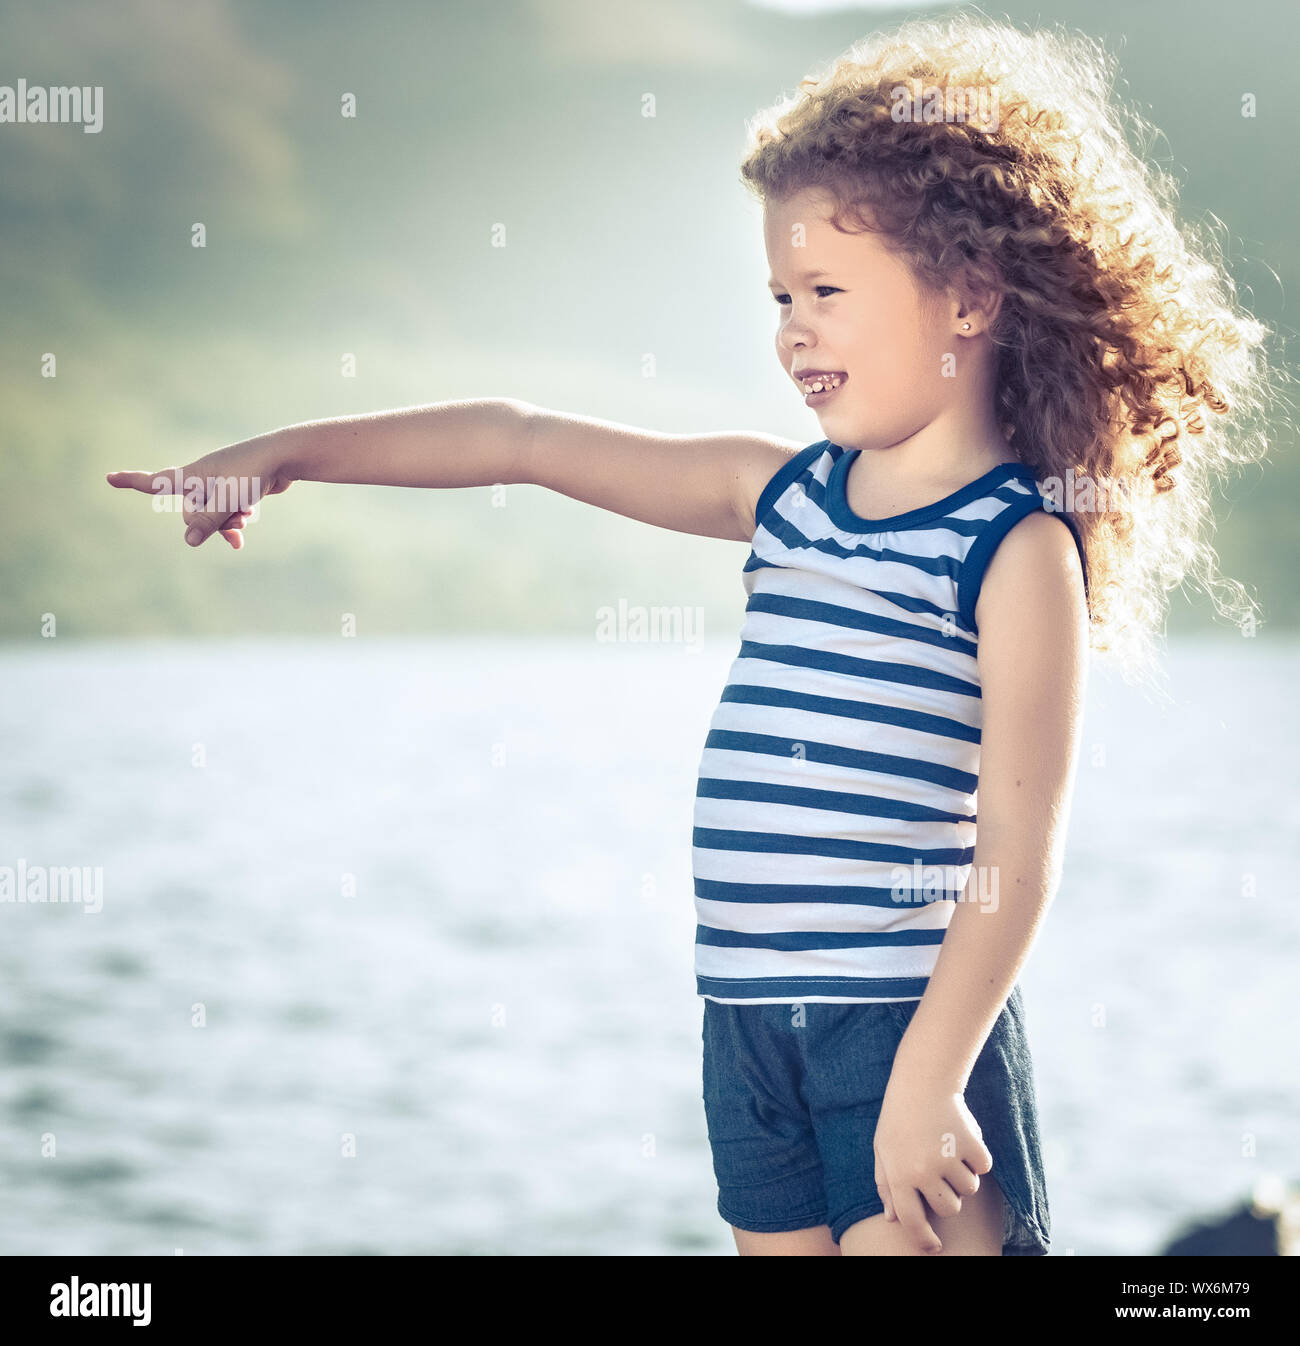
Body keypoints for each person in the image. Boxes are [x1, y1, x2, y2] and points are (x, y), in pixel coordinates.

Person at [107, 13, 1275, 1257]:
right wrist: (283, 457)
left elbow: (1016, 859)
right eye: (780, 296)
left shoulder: (1014, 548)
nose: (792, 330)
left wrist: (929, 1077)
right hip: (743, 1025)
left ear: (969, 295)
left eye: (828, 292)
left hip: (901, 1025)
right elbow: (524, 440)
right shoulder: (776, 496)